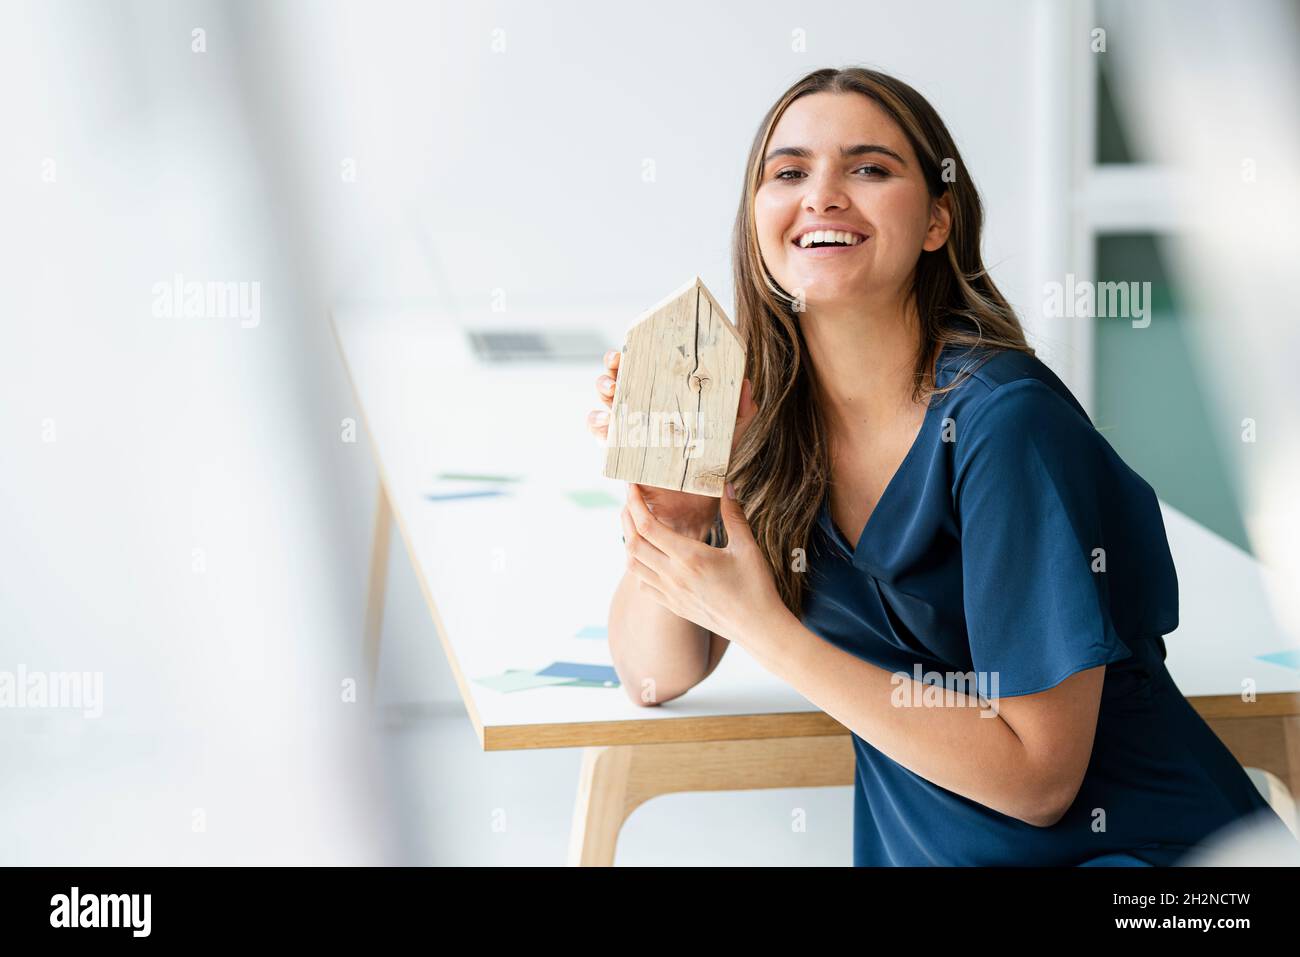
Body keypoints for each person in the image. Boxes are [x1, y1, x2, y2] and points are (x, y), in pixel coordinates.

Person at [585, 66, 1294, 866]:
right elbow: (653, 675)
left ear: (936, 221)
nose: (821, 194)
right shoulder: (764, 422)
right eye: (788, 172)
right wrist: (679, 509)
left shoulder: (1004, 423)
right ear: (757, 220)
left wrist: (765, 629)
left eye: (869, 168)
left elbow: (1039, 779)